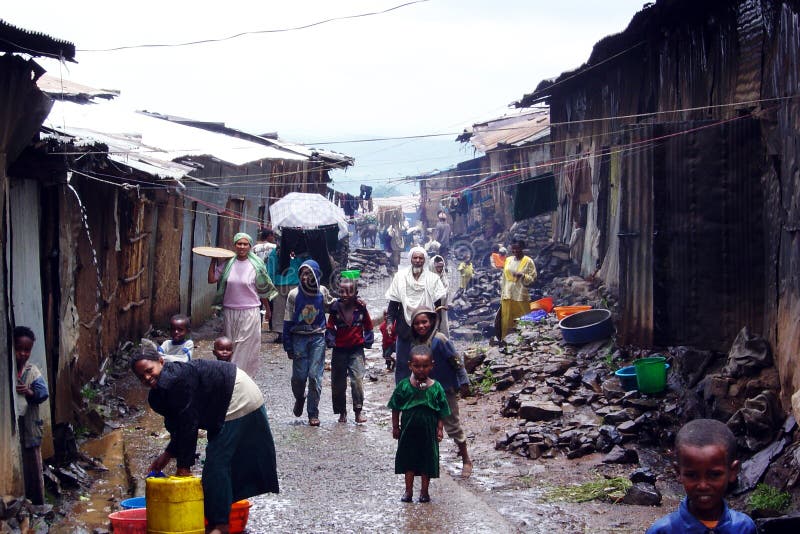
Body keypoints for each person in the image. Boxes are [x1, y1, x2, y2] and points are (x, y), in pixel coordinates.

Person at [131, 348, 278, 534]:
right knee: (218, 464)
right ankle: (217, 518)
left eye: (149, 370)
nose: (146, 378)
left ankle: (220, 525)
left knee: (216, 464)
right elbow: (179, 424)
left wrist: (183, 467)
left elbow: (188, 424)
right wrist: (167, 455)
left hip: (236, 395)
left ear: (161, 361)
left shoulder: (175, 380)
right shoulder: (159, 393)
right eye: (141, 376)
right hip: (220, 401)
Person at [646, 419, 756, 533]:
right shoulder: (663, 531)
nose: (703, 486)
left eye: (714, 475)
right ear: (678, 473)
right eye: (692, 475)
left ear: (733, 471)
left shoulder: (743, 527)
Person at [409, 307, 473, 478]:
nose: (421, 326)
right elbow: (414, 367)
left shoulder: (440, 340)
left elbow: (456, 361)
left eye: (424, 322)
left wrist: (464, 381)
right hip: (425, 391)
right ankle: (428, 463)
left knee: (452, 425)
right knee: (427, 427)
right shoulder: (416, 343)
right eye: (417, 323)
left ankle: (466, 459)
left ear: (431, 321)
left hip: (445, 390)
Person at [208, 232, 278, 377]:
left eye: (245, 244)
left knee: (246, 347)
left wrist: (268, 309)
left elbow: (262, 289)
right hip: (230, 312)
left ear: (250, 246)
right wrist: (214, 260)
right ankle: (231, 377)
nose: (242, 246)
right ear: (235, 245)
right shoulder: (228, 264)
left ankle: (241, 378)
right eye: (239, 243)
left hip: (250, 312)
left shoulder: (256, 265)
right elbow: (212, 279)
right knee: (230, 345)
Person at [388, 345, 450, 503]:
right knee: (409, 462)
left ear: (431, 365)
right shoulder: (403, 386)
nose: (421, 370)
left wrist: (440, 429)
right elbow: (395, 408)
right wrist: (395, 427)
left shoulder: (436, 388)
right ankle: (408, 492)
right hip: (408, 431)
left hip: (428, 432)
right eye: (417, 366)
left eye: (425, 366)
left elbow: (442, 411)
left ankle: (424, 492)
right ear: (410, 365)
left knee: (426, 461)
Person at [385, 246, 447, 384]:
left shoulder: (433, 279)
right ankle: (402, 396)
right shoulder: (400, 278)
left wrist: (436, 330)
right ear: (410, 259)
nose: (418, 260)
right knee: (402, 365)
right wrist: (389, 323)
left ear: (424, 260)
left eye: (420, 258)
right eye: (415, 257)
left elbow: (437, 309)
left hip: (426, 331)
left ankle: (426, 395)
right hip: (404, 328)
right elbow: (393, 305)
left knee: (426, 365)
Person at [283, 259, 334, 426]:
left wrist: (352, 301)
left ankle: (313, 412)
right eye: (303, 274)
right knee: (299, 377)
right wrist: (288, 344)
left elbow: (331, 306)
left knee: (314, 376)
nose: (306, 277)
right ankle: (300, 398)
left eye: (309, 273)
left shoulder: (322, 291)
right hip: (299, 338)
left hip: (318, 337)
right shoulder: (294, 295)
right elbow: (288, 321)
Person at [325, 278, 374, 424]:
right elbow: (330, 326)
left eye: (349, 291)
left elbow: (369, 326)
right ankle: (342, 412)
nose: (345, 294)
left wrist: (368, 341)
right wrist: (330, 339)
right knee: (338, 382)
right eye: (342, 291)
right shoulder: (335, 308)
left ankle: (358, 410)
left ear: (356, 293)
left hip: (356, 349)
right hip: (339, 350)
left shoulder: (361, 309)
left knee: (357, 380)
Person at [14, 326, 48, 505]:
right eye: (19, 349)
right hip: (14, 429)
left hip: (30, 426)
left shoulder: (32, 371)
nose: (22, 354)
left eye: (26, 350)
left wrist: (29, 391)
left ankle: (37, 503)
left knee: (33, 464)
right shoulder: (9, 371)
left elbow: (43, 394)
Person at [499, 239, 537, 339]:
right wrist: (502, 292)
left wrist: (523, 275)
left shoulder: (528, 261)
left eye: (518, 249)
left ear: (522, 248)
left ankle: (525, 341)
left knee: (523, 319)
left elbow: (532, 278)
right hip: (508, 294)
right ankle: (506, 341)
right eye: (513, 249)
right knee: (507, 319)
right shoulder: (508, 260)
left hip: (521, 295)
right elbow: (504, 277)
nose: (515, 251)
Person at [429, 254, 450, 337]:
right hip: (431, 307)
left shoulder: (444, 278)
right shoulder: (428, 278)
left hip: (441, 307)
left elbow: (446, 291)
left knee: (442, 325)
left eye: (441, 267)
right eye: (437, 267)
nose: (440, 269)